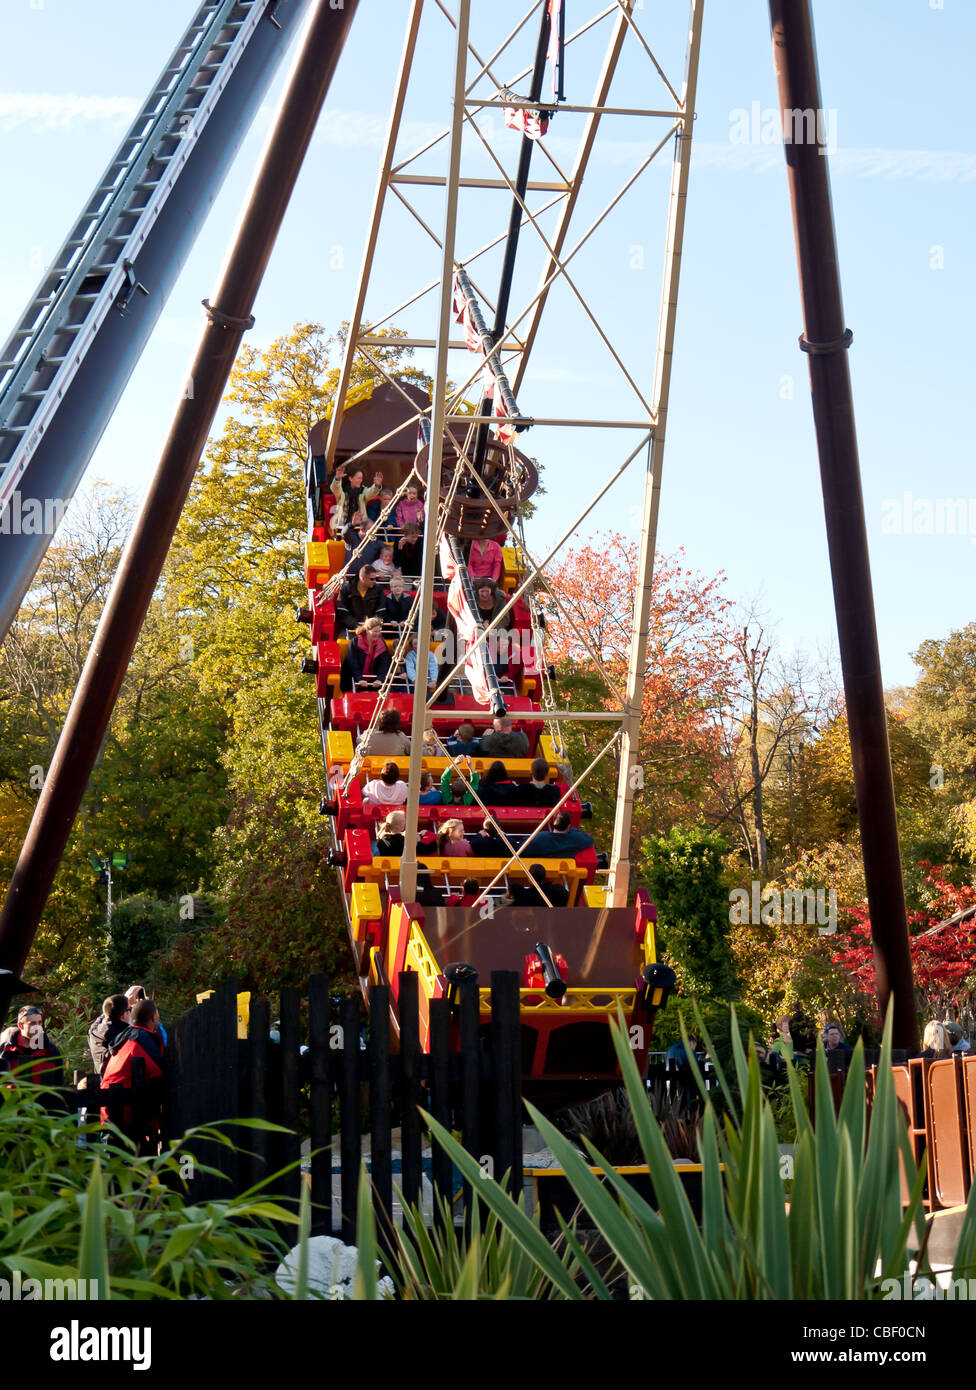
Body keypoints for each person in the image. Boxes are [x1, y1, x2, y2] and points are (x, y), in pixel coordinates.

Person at [100, 998, 165, 1151]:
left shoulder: (126, 1036)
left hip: (110, 1110)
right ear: (154, 1018)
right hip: (125, 1115)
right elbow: (159, 1072)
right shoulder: (142, 1039)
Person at [0, 1004, 62, 1083]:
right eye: (33, 1023)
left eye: (40, 1023)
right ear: (20, 1025)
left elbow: (59, 1085)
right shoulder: (5, 1050)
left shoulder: (52, 1051)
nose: (38, 1027)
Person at [342, 618, 391, 691]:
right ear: (367, 630)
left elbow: (384, 663)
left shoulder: (382, 643)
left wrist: (380, 679)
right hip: (354, 679)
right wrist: (359, 678)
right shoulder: (355, 642)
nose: (377, 634)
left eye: (379, 631)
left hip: (373, 682)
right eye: (375, 631)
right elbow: (352, 662)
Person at [88, 994, 131, 1075]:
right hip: (120, 1084)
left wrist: (119, 1004)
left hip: (101, 1082)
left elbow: (106, 1014)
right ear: (123, 1015)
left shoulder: (94, 1032)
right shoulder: (123, 1038)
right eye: (130, 1009)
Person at [522, 810, 594, 858]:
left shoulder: (541, 837)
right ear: (568, 826)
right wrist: (572, 830)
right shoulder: (575, 839)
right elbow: (590, 839)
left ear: (554, 822)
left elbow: (523, 849)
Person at [331, 463, 381, 529]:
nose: (361, 480)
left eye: (361, 478)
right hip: (342, 527)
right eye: (359, 478)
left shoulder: (363, 491)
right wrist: (337, 479)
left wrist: (376, 485)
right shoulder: (343, 491)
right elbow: (335, 488)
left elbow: (370, 493)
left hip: (359, 528)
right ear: (350, 479)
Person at [336, 566, 381, 634]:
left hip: (372, 631)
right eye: (372, 579)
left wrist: (370, 626)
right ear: (362, 578)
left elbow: (381, 610)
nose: (375, 581)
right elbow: (342, 611)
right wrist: (357, 626)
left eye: (375, 579)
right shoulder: (346, 589)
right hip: (349, 630)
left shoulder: (378, 590)